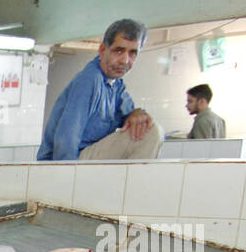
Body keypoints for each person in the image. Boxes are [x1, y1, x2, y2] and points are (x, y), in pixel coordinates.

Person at [37, 19, 161, 161]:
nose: (125, 60)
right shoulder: (90, 80)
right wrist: (65, 177)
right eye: (119, 51)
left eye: (132, 53)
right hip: (70, 160)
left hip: (86, 159)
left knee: (144, 125)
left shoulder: (116, 84)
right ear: (102, 51)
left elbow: (129, 112)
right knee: (151, 132)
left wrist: (136, 113)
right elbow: (66, 138)